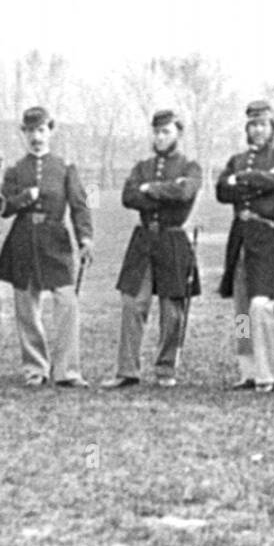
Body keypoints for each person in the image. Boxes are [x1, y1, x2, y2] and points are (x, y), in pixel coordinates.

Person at [101, 110, 202, 390]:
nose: (160, 137)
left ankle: (166, 367)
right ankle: (127, 370)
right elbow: (128, 197)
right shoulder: (141, 167)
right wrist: (162, 191)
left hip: (173, 241)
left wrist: (150, 190)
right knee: (132, 303)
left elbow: (184, 193)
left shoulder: (190, 167)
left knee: (172, 312)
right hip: (144, 240)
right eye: (157, 132)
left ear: (178, 134)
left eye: (166, 132)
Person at [0, 106, 94, 388]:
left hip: (56, 241)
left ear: (50, 131)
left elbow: (80, 206)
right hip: (23, 241)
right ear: (24, 134)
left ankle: (67, 370)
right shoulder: (16, 170)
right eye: (30, 131)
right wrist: (24, 197)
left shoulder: (65, 169)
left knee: (66, 303)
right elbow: (3, 208)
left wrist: (85, 238)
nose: (36, 137)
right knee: (27, 307)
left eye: (41, 130)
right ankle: (35, 368)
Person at [215, 100, 274, 393]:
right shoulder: (235, 160)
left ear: (272, 127)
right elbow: (222, 191)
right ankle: (246, 369)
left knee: (260, 307)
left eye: (263, 125)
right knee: (240, 311)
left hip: (266, 237)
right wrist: (248, 181)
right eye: (253, 125)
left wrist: (243, 180)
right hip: (240, 237)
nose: (258, 130)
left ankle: (265, 372)